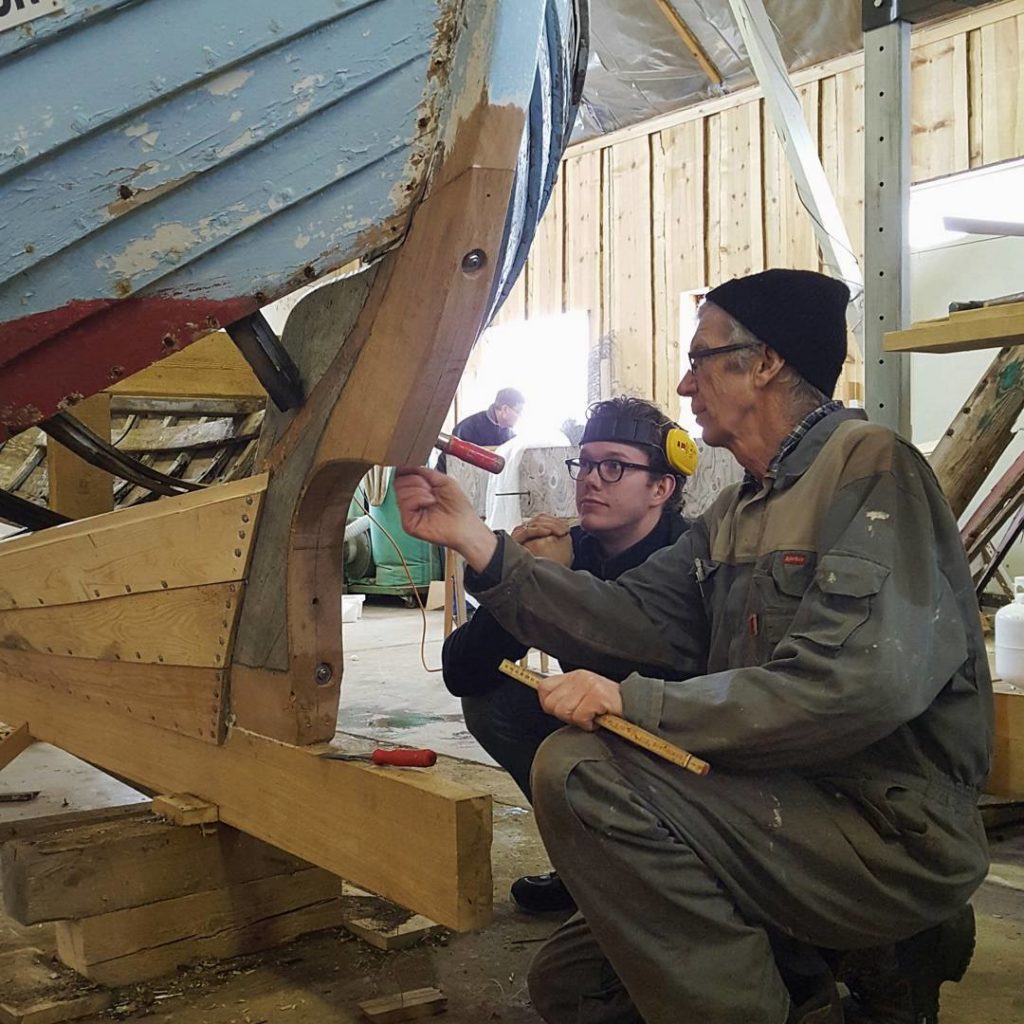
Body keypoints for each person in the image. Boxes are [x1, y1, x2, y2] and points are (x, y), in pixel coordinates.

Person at [394, 268, 992, 1024]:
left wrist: (635, 702)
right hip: (776, 803)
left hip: (882, 827)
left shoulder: (870, 467)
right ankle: (811, 973)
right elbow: (627, 614)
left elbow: (856, 685)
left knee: (580, 771)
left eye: (700, 359)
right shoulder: (737, 509)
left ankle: (873, 946)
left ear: (764, 362)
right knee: (575, 990)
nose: (684, 384)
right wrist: (477, 542)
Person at [443, 396, 695, 913]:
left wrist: (551, 588)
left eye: (614, 467)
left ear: (661, 488)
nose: (591, 481)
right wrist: (520, 581)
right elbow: (462, 672)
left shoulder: (689, 559)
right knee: (494, 703)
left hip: (679, 739)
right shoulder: (572, 546)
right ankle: (584, 861)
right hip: (594, 726)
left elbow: (648, 652)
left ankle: (667, 870)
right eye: (585, 463)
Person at [435, 387, 525, 472]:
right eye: (519, 411)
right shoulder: (467, 429)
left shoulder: (510, 437)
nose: (520, 416)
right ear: (505, 409)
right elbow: (451, 465)